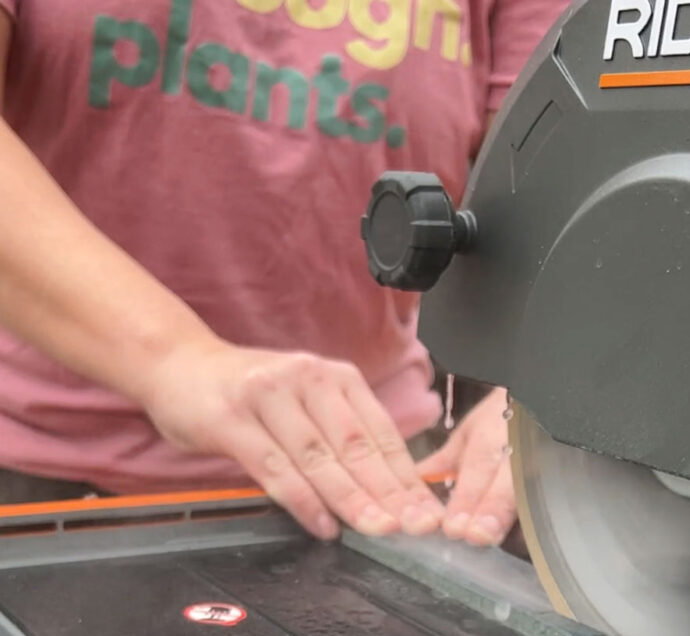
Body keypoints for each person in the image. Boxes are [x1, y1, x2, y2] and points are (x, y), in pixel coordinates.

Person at [0, 0, 565, 545]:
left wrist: (547, 387)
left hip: (379, 485)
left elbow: (561, 172)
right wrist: (173, 356)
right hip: (36, 478)